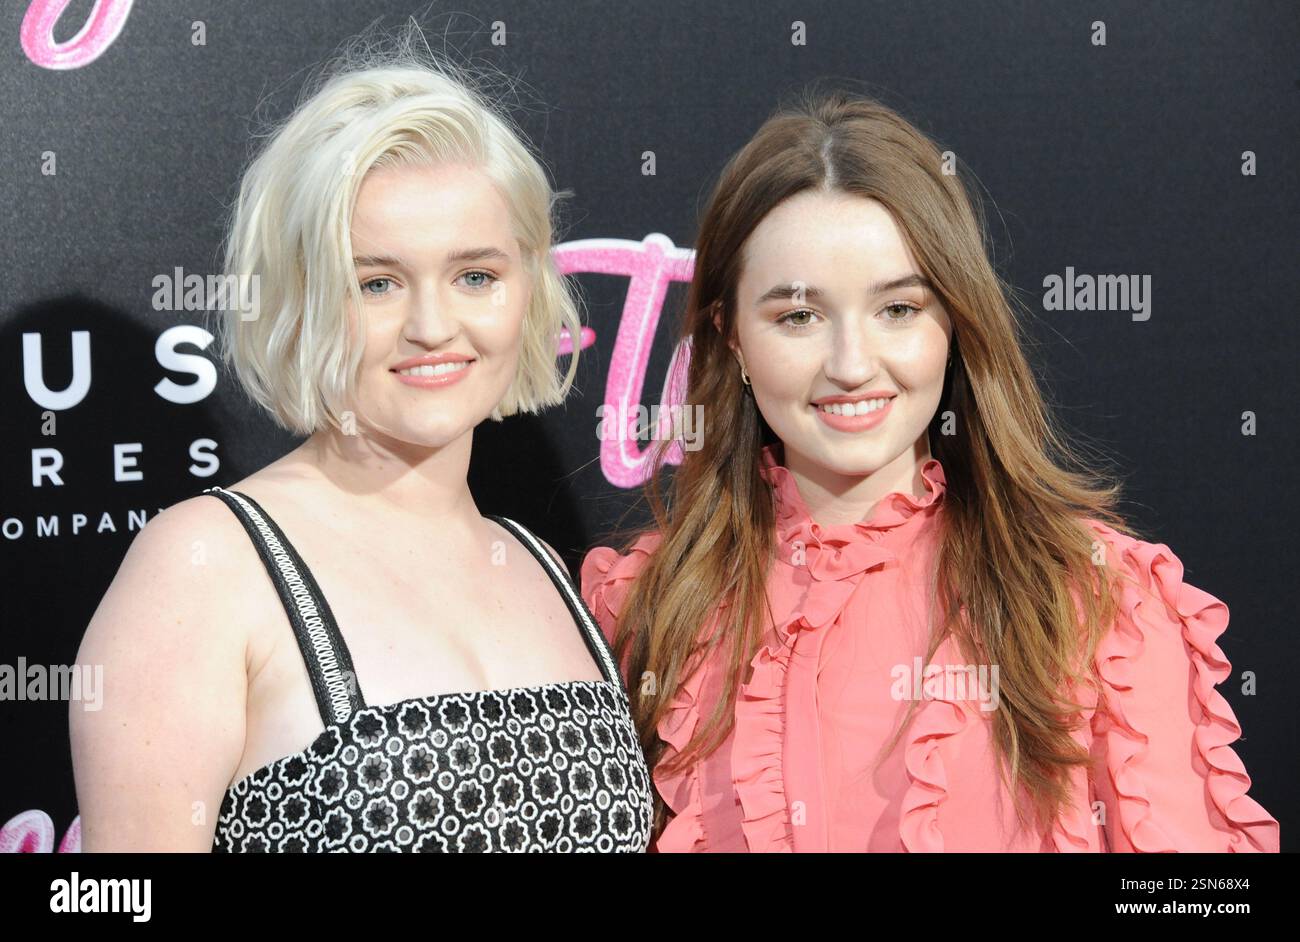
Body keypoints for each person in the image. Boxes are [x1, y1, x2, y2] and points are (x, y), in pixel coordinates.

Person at [580, 89, 1280, 853]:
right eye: (798, 317)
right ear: (732, 337)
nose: (851, 365)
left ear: (955, 319)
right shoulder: (643, 611)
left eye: (899, 310)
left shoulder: (1094, 597)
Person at [70, 35, 652, 853]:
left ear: (529, 287)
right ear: (299, 300)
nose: (432, 327)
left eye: (475, 276)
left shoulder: (539, 565)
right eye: (374, 282)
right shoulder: (205, 567)